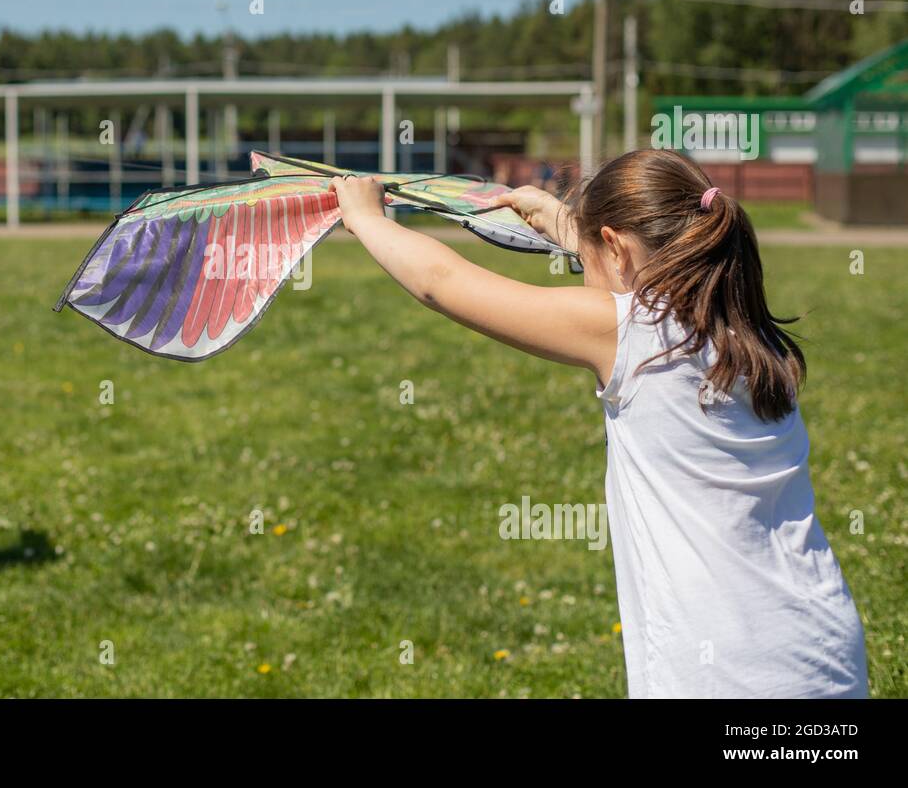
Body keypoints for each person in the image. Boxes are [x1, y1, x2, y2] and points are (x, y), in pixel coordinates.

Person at [331, 148, 868, 698]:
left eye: (586, 258)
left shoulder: (633, 335)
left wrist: (367, 219)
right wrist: (569, 227)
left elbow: (440, 281)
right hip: (825, 655)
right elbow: (638, 271)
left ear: (614, 247)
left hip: (724, 676)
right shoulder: (744, 330)